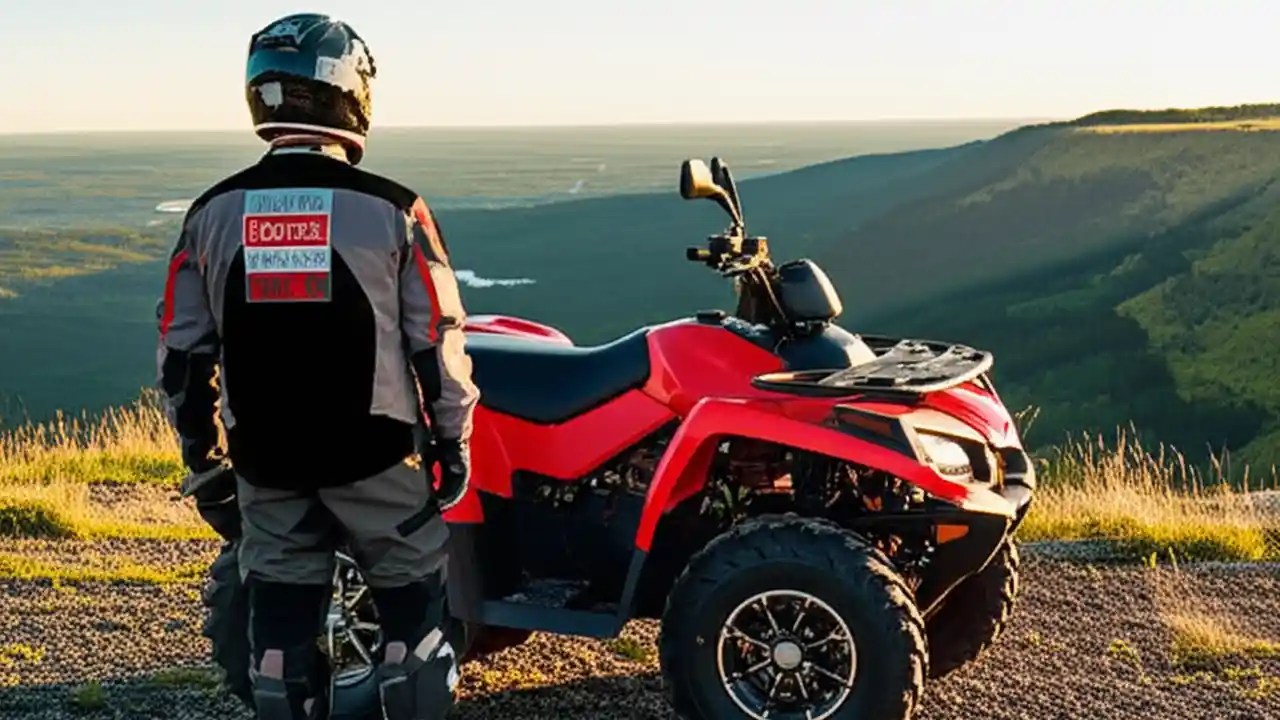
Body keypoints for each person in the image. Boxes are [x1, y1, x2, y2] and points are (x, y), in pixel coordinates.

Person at [155, 13, 479, 720]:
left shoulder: (209, 214)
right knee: (415, 637)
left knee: (277, 648)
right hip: (377, 458)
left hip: (266, 459)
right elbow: (438, 340)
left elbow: (182, 353)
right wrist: (453, 444)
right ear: (348, 90)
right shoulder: (394, 209)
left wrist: (204, 458)